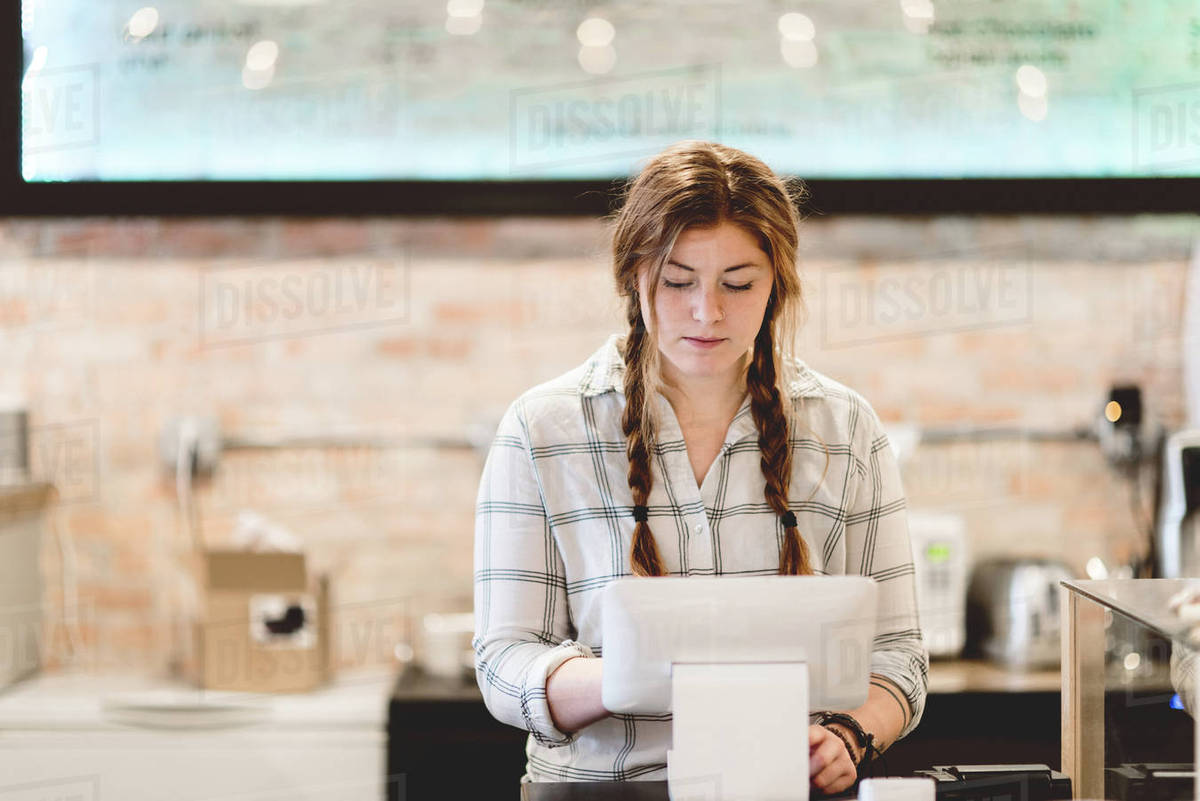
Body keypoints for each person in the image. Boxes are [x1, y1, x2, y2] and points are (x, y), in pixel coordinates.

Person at [472, 140, 928, 794]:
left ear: (778, 283)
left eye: (738, 283)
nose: (707, 312)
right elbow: (503, 662)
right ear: (635, 277)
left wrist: (851, 734)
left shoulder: (847, 429)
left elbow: (899, 654)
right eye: (678, 280)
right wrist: (636, 671)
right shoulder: (542, 429)